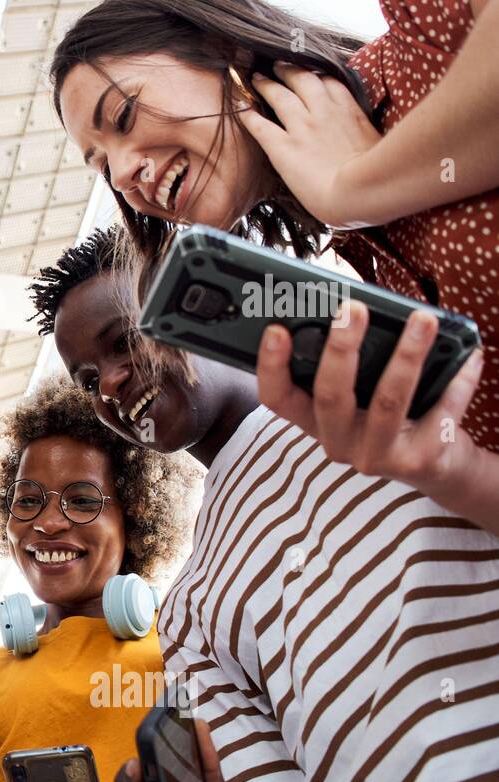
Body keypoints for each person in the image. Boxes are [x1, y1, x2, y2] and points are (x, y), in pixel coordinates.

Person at [43, 228, 499, 782]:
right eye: (87, 378)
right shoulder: (186, 611)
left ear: (196, 306)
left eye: (125, 340)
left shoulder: (389, 390)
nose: (112, 383)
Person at [50, 0, 499, 535]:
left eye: (123, 115)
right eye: (103, 167)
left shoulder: (422, 35)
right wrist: (440, 466)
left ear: (219, 48)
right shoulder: (373, 270)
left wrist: (357, 187)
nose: (124, 174)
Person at [0, 376, 198, 782]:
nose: (48, 522)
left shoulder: (188, 648)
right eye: (28, 499)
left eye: (82, 500)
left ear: (137, 516)